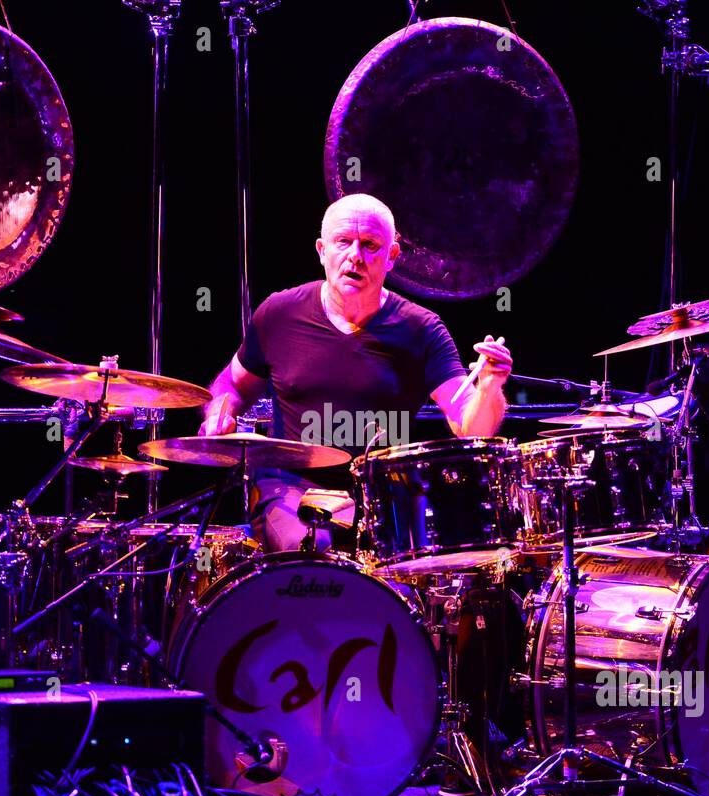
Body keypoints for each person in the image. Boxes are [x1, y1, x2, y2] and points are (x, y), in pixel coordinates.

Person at [198, 193, 513, 551]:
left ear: (392, 256)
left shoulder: (422, 328)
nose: (355, 257)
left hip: (382, 497)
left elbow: (470, 425)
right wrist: (220, 409)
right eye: (343, 242)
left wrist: (489, 387)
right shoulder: (279, 313)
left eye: (370, 245)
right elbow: (233, 385)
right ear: (321, 250)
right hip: (292, 487)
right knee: (310, 549)